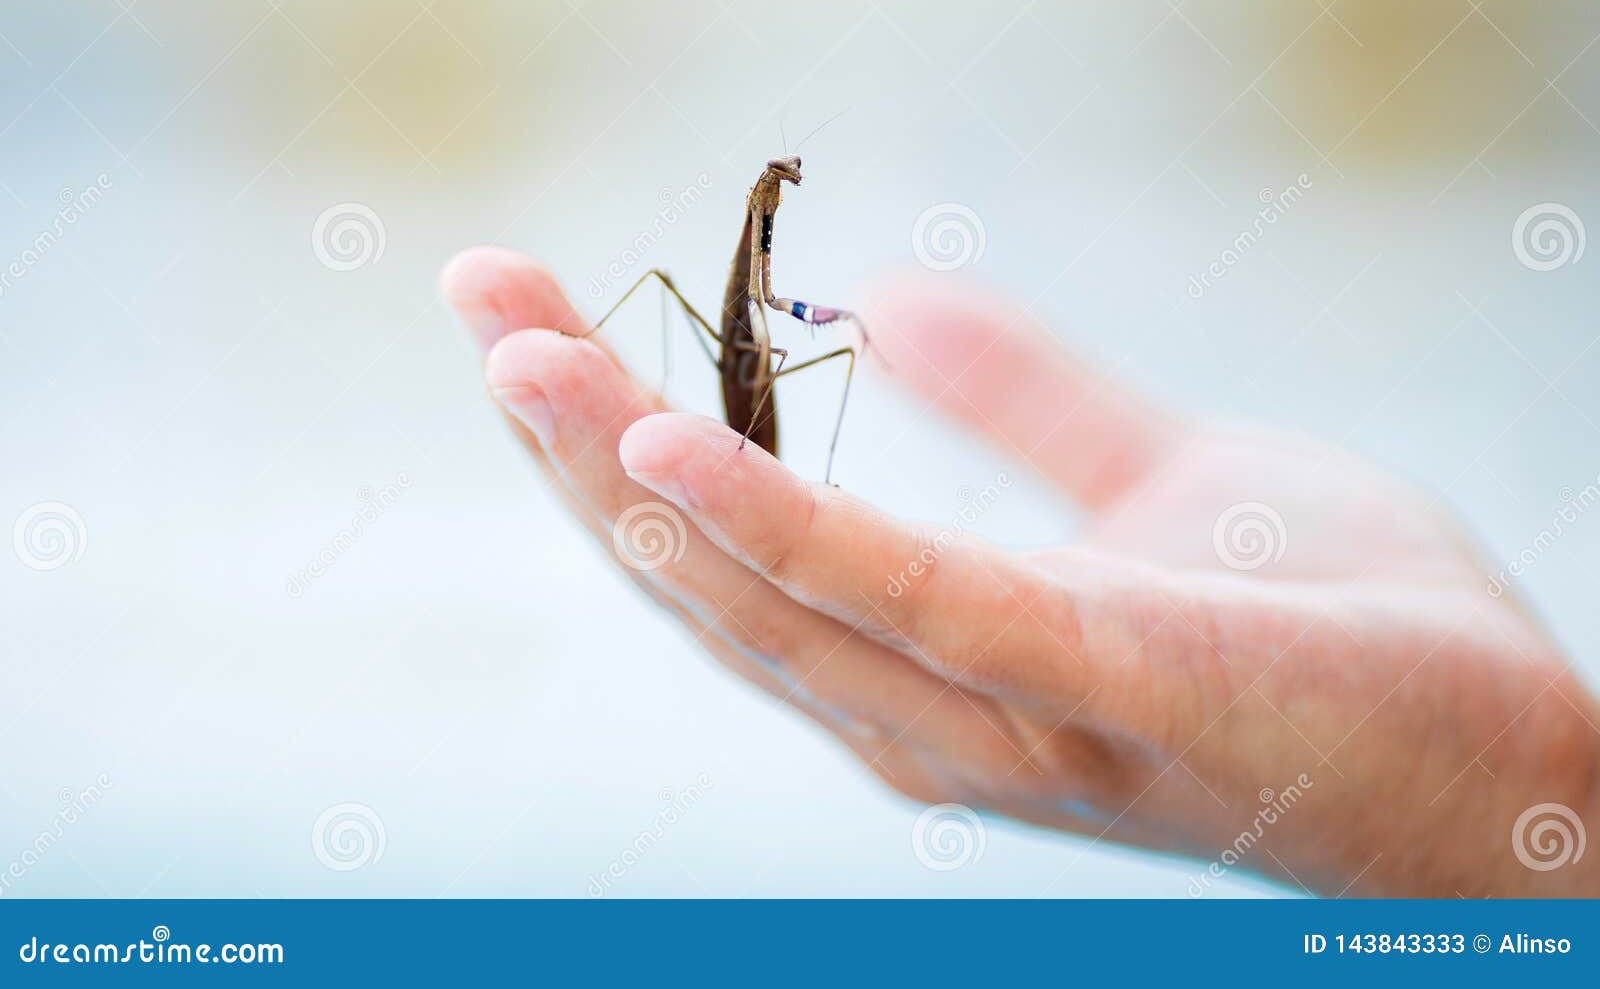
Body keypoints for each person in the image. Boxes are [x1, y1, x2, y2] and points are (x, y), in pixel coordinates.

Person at [441, 245, 1599, 897]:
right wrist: (1511, 814)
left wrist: (1492, 807)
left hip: (759, 384)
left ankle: (796, 477)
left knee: (824, 333)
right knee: (737, 314)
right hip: (744, 382)